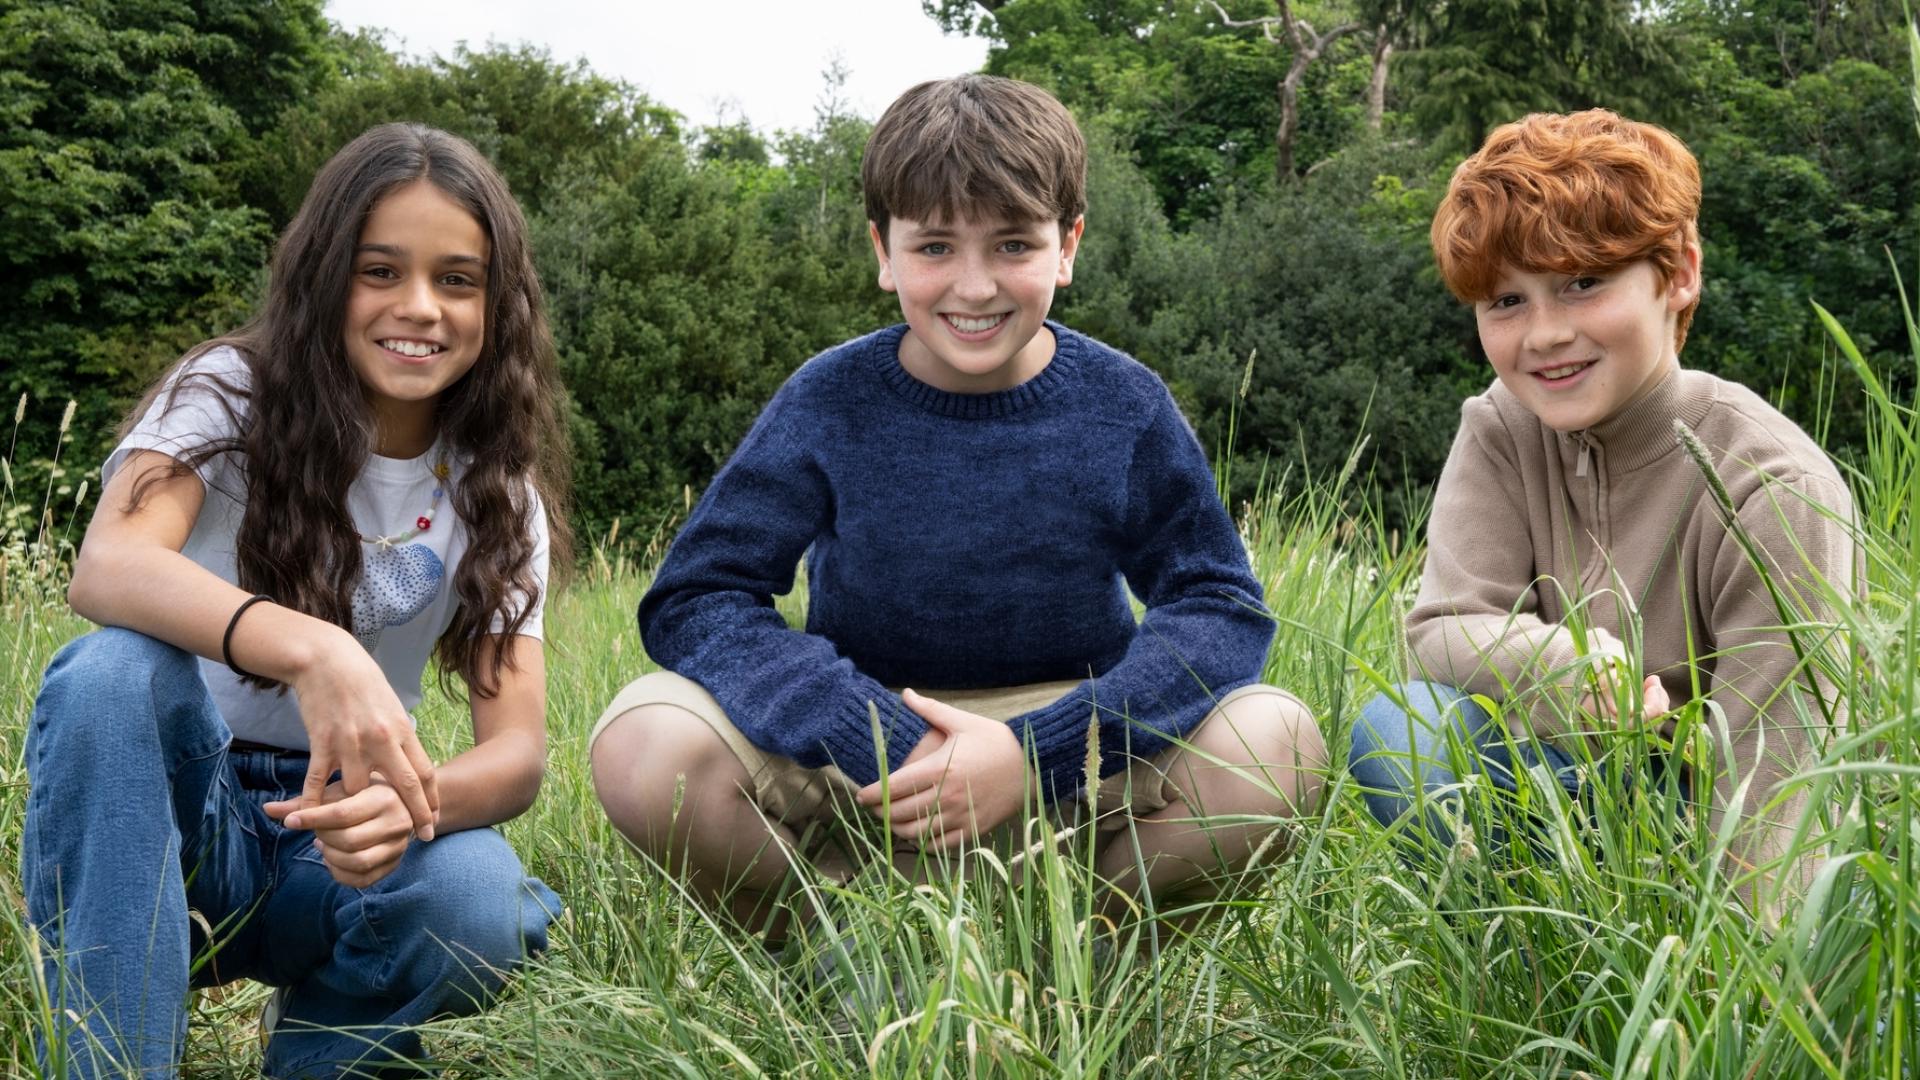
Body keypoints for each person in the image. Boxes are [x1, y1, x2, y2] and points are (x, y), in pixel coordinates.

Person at [589, 74, 1326, 949]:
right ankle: (848, 958)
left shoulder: (1124, 404)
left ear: (1067, 245)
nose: (974, 287)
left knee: (1277, 740)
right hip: (863, 765)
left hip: (1072, 761)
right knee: (644, 741)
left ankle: (1073, 962)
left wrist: (1037, 752)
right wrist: (871, 730)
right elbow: (697, 596)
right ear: (883, 250)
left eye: (1013, 244)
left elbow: (1217, 602)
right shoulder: (829, 399)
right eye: (935, 246)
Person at [23, 123, 568, 1079]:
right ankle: (113, 1060)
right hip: (171, 810)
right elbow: (106, 564)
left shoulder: (498, 490)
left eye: (458, 280)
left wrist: (412, 804)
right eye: (379, 271)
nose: (420, 307)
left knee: (480, 895)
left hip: (342, 833)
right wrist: (317, 649)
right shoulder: (228, 391)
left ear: (498, 303)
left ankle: (320, 1051)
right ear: (323, 275)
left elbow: (517, 754)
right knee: (112, 672)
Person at [1346, 109, 1854, 910]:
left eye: (1583, 283)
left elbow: (1781, 764)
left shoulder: (1775, 484)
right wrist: (1569, 666)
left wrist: (1743, 962)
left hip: (1711, 810)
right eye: (1506, 300)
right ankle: (1522, 964)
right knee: (1400, 728)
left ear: (1679, 274)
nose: (1545, 334)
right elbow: (1443, 627)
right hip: (1557, 783)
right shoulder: (1501, 428)